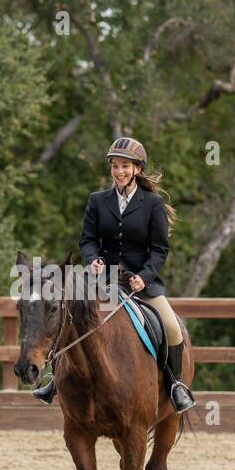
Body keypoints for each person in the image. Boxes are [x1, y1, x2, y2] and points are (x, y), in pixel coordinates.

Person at [33, 135, 197, 412]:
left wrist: (144, 275)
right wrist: (93, 259)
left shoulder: (152, 204)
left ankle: (175, 385)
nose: (119, 171)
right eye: (115, 166)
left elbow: (159, 249)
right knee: (66, 314)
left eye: (125, 166)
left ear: (137, 169)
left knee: (171, 327)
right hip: (100, 280)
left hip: (141, 283)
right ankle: (53, 379)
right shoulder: (98, 200)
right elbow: (87, 239)